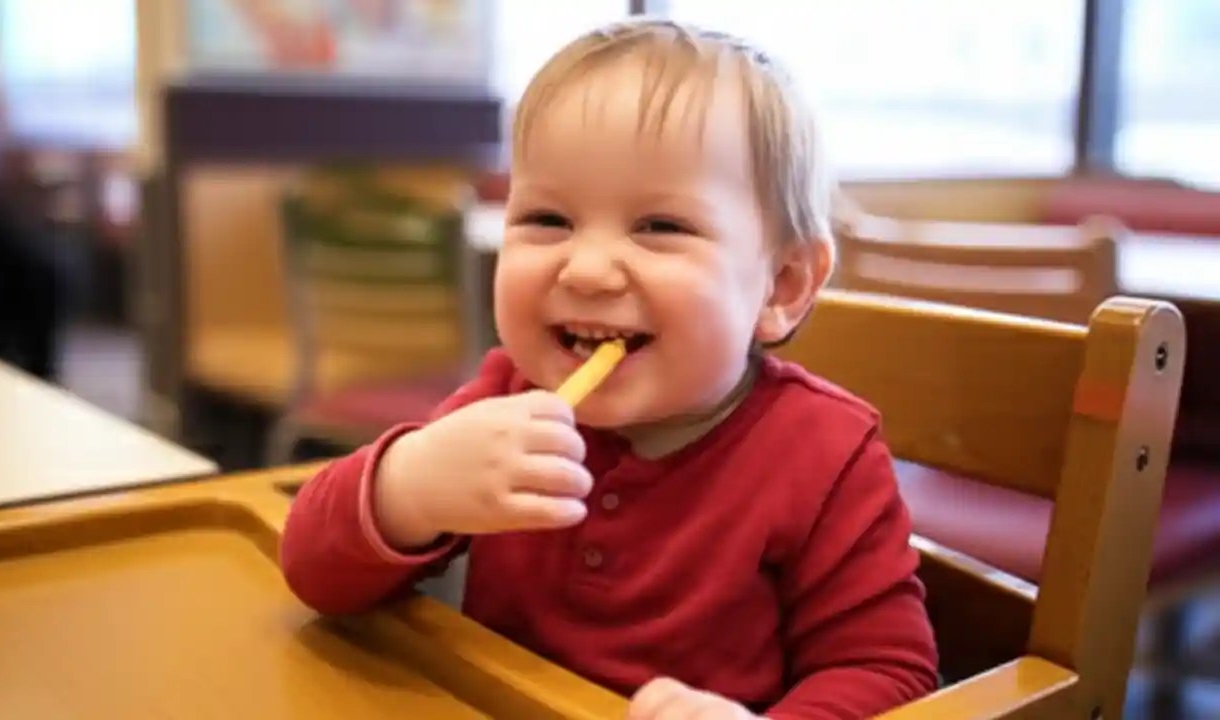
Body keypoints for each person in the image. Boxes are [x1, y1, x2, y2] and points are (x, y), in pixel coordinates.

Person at [280, 18, 937, 720]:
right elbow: (312, 572)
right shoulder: (509, 396)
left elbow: (889, 673)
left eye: (660, 227)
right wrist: (407, 487)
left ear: (780, 286)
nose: (587, 270)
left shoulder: (825, 452)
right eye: (547, 219)